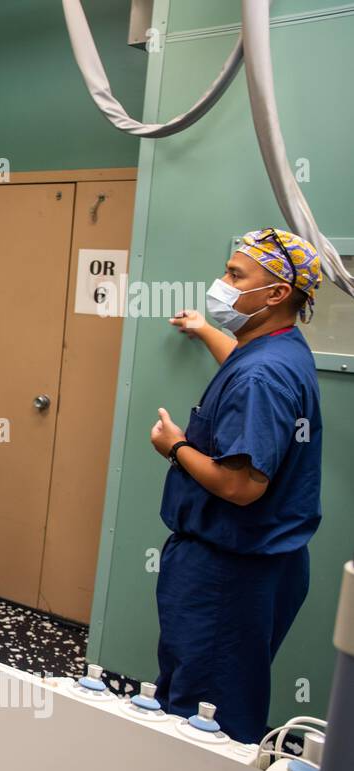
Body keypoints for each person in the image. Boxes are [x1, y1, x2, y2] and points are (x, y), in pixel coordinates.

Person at [150, 228, 324, 743]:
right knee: (217, 690)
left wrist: (176, 448)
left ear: (275, 294)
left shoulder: (262, 377)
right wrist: (206, 331)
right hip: (260, 564)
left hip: (227, 569)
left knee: (205, 718)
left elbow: (242, 486)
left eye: (234, 275)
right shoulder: (280, 349)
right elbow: (244, 367)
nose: (221, 283)